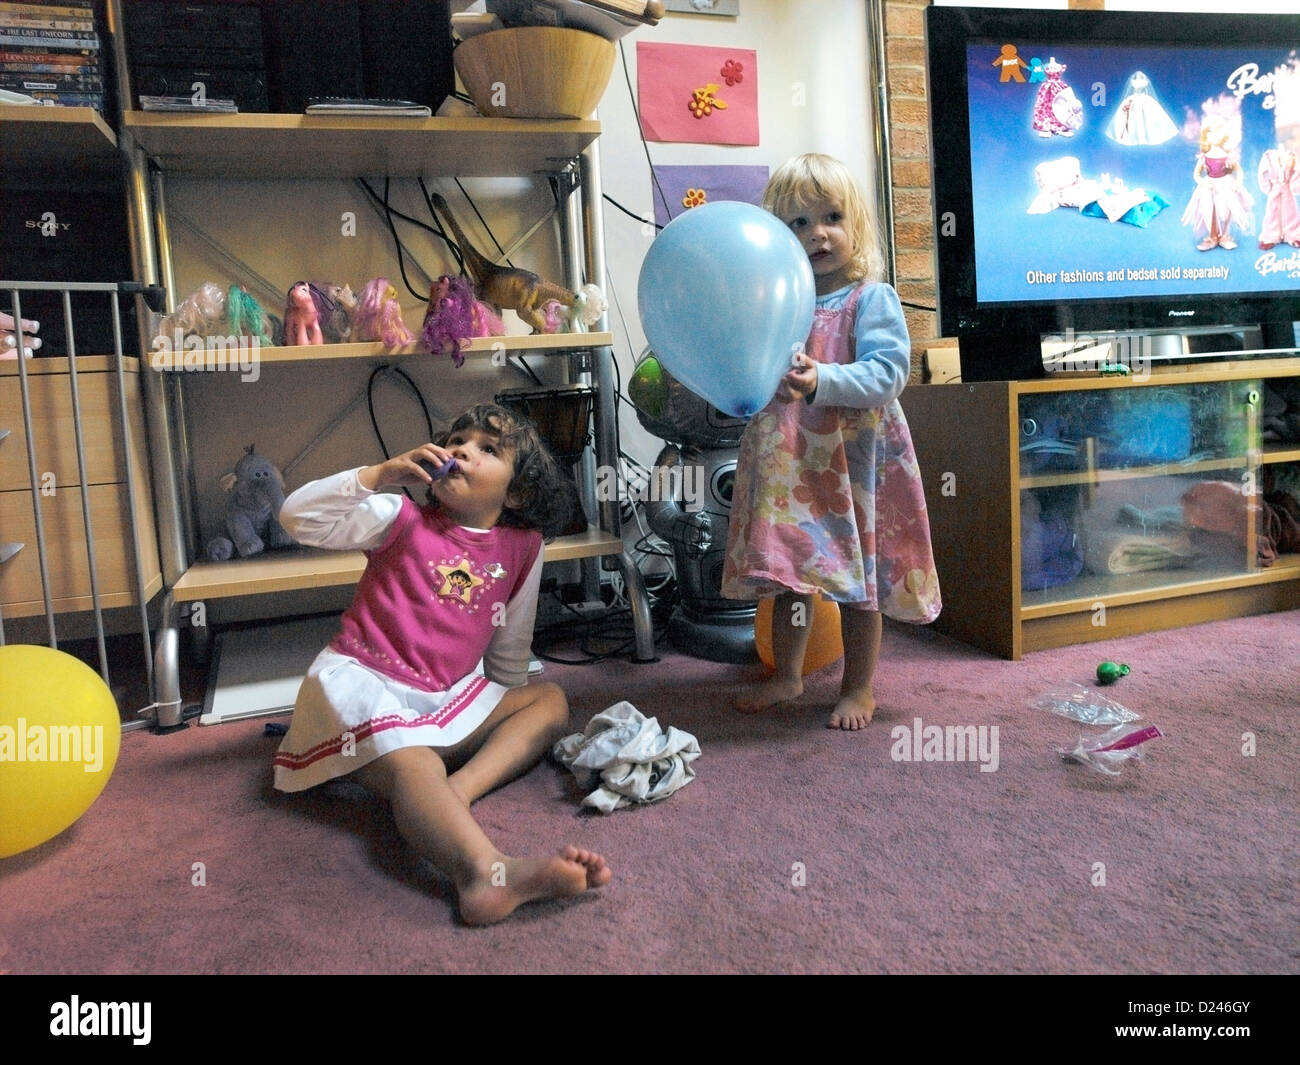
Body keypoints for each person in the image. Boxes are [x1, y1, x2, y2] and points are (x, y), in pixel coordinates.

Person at [271, 403, 611, 924]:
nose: (461, 450)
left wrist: (495, 708)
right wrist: (378, 475)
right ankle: (483, 874)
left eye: (487, 449)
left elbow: (509, 648)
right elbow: (296, 517)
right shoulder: (396, 518)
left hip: (446, 696)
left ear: (515, 492)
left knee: (549, 699)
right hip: (364, 684)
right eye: (457, 439)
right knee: (416, 763)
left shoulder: (524, 547)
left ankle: (455, 793)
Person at [722, 153, 942, 730]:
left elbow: (889, 371)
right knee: (792, 578)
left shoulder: (870, 298)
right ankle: (789, 675)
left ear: (856, 226)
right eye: (797, 223)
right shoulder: (780, 303)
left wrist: (823, 378)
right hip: (793, 464)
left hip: (854, 463)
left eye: (831, 217)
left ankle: (859, 687)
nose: (816, 233)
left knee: (857, 582)